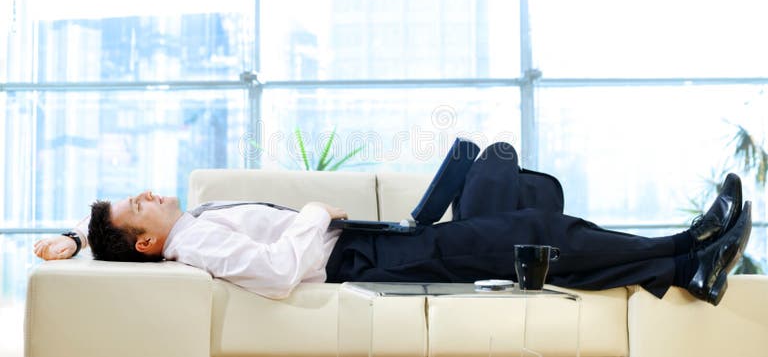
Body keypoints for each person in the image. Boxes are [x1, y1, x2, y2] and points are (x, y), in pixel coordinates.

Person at [34, 142, 752, 306]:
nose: (148, 193)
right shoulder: (195, 242)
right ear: (148, 239)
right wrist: (317, 212)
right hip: (374, 262)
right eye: (138, 204)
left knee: (497, 167)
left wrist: (75, 235)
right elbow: (279, 273)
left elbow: (109, 237)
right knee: (538, 230)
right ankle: (685, 252)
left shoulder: (186, 223)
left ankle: (683, 260)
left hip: (384, 242)